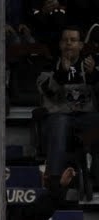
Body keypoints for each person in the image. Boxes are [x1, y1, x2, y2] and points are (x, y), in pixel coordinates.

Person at [36, 26, 99, 182]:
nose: (69, 43)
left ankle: (96, 175)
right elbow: (46, 91)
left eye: (73, 40)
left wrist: (94, 76)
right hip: (58, 117)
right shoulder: (50, 65)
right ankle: (55, 180)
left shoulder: (90, 65)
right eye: (65, 40)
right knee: (60, 123)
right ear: (60, 44)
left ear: (81, 45)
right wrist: (61, 74)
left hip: (86, 117)